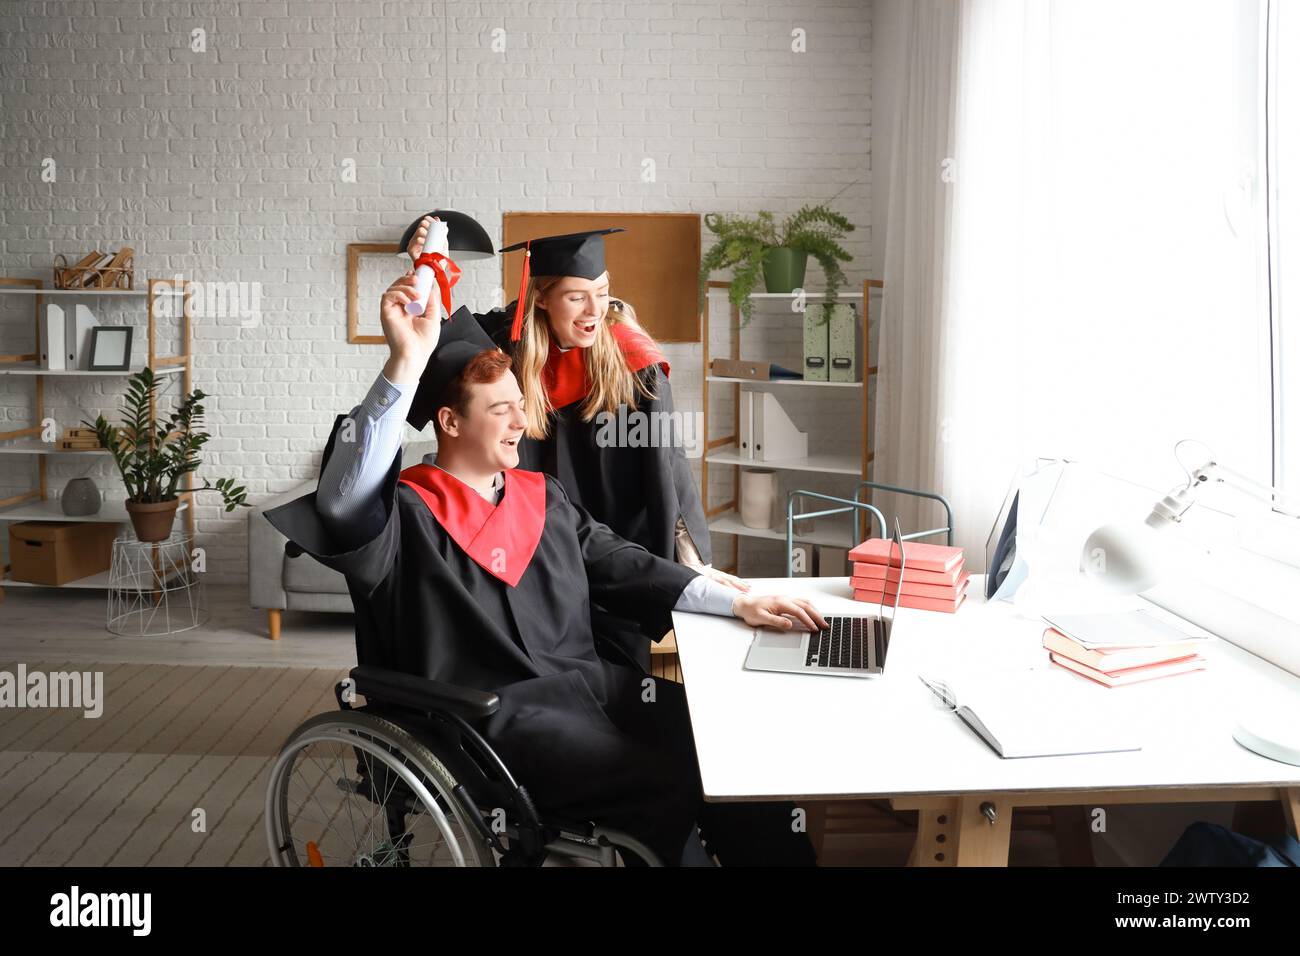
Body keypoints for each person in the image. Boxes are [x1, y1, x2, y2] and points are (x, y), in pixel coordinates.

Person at [265, 269, 827, 866]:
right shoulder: (403, 516)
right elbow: (341, 497)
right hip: (490, 725)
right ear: (451, 423)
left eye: (521, 406)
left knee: (732, 744)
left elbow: (625, 563)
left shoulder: (543, 497)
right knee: (666, 778)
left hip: (594, 691)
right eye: (501, 410)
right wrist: (405, 361)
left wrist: (732, 599)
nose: (523, 424)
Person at [399, 214, 745, 671]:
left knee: (621, 674)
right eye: (576, 297)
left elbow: (668, 467)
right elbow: (435, 346)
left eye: (602, 294)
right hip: (536, 546)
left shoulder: (631, 358)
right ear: (540, 298)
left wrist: (691, 564)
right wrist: (426, 267)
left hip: (615, 540)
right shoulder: (508, 343)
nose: (594, 311)